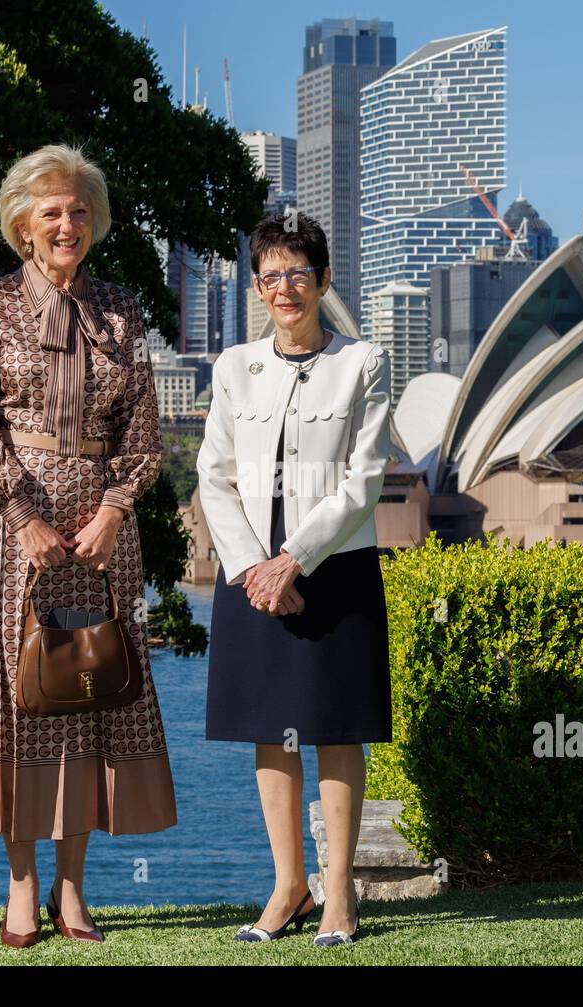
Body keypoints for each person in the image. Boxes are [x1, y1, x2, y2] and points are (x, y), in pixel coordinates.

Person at [0, 143, 177, 948]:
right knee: (21, 704)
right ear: (23, 224)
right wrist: (24, 517)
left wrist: (113, 511)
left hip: (103, 536)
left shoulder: (123, 310)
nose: (67, 223)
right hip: (12, 535)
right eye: (52, 212)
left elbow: (144, 436)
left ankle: (73, 892)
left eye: (79, 210)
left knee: (88, 696)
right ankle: (20, 888)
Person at [196, 212, 392, 947]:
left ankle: (338, 893)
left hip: (332, 568)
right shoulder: (232, 367)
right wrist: (254, 566)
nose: (285, 288)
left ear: (324, 280)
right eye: (271, 275)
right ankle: (288, 887)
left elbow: (364, 479)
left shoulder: (363, 363)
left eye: (298, 274)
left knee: (337, 729)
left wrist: (293, 559)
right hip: (251, 577)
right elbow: (213, 476)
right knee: (268, 733)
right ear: (256, 286)